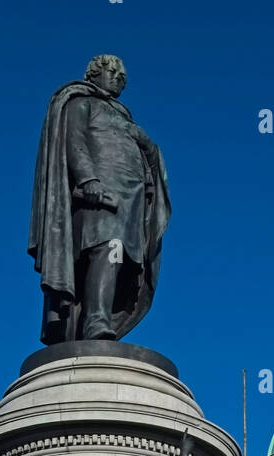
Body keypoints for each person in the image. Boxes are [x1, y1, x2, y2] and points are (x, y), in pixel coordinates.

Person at [28, 54, 171, 342]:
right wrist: (88, 179)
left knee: (124, 259)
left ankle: (97, 320)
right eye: (113, 72)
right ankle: (95, 321)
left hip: (130, 200)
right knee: (104, 249)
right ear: (94, 74)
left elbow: (150, 158)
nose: (119, 79)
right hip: (99, 194)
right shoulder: (81, 103)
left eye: (123, 77)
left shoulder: (123, 116)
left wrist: (148, 146)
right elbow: (74, 141)